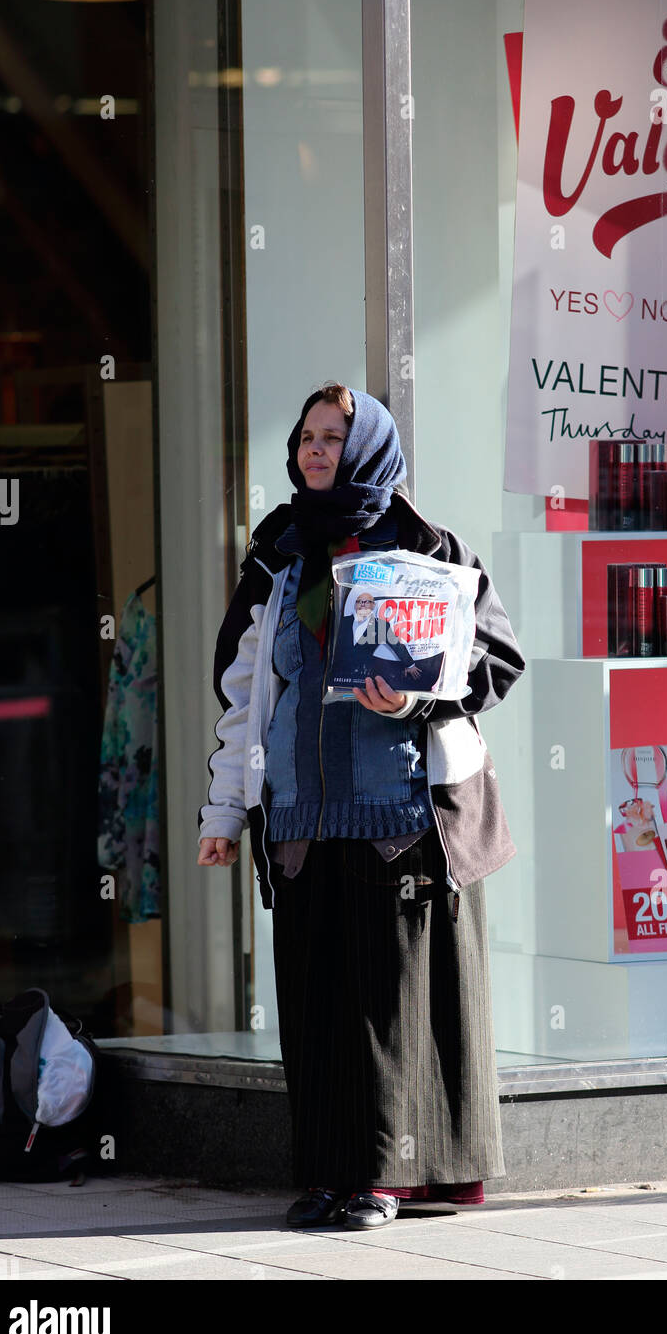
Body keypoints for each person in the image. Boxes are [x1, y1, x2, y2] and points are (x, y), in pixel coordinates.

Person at [197, 381, 525, 1230]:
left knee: (388, 1007)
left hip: (400, 821)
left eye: (334, 437)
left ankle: (383, 1178)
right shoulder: (278, 556)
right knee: (317, 1009)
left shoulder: (427, 546)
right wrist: (224, 814)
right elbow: (243, 694)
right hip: (301, 822)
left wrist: (416, 696)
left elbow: (496, 657)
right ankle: (327, 1175)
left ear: (370, 448)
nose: (316, 449)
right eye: (307, 436)